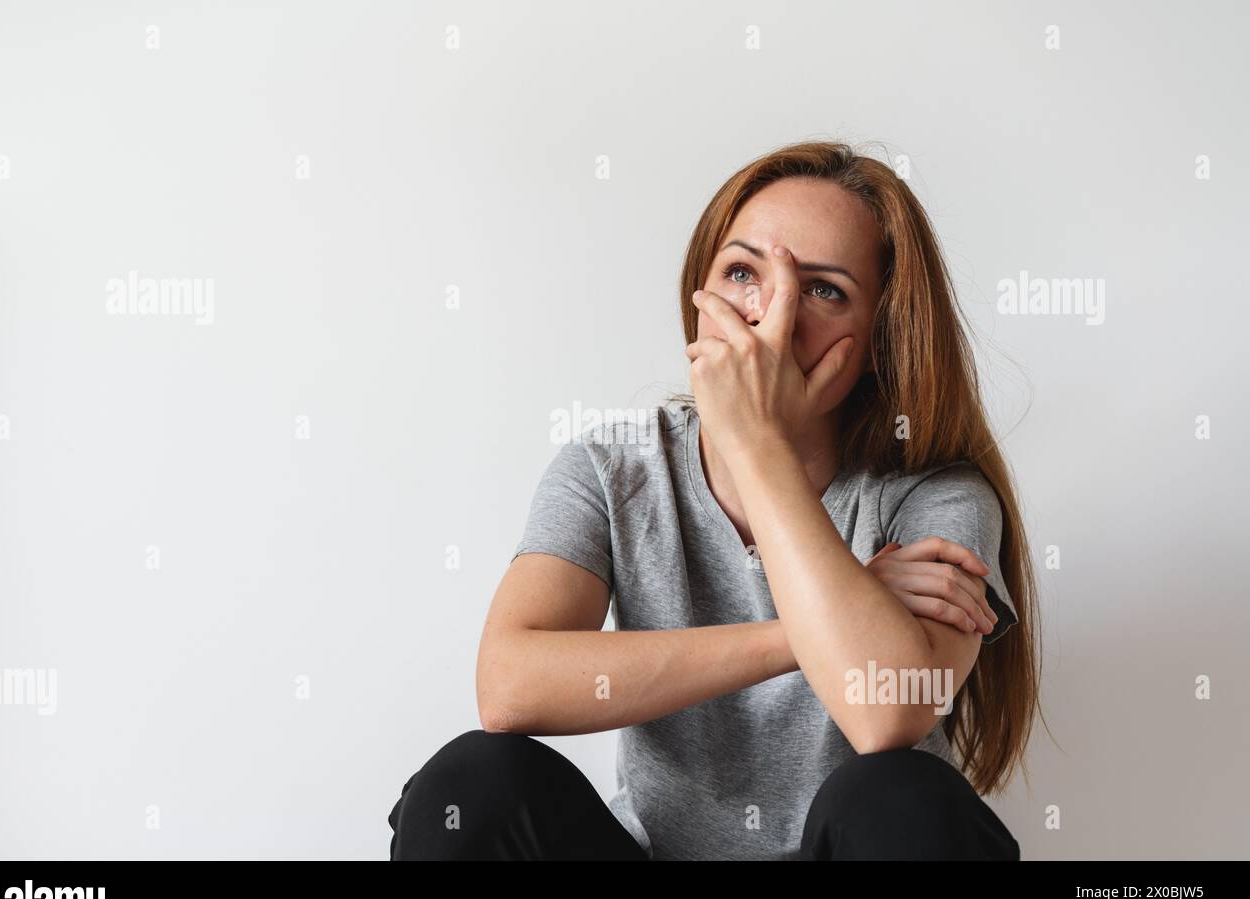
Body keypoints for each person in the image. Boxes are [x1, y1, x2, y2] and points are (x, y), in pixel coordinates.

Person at [390, 141, 1042, 860]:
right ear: (699, 296)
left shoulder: (937, 496)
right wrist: (813, 626)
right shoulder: (613, 470)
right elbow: (509, 688)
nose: (773, 316)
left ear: (881, 339)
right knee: (468, 787)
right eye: (742, 273)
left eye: (824, 289)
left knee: (900, 796)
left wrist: (758, 445)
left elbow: (886, 711)